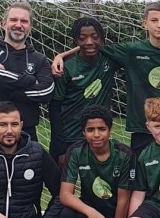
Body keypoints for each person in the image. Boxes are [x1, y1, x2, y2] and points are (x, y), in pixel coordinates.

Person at [50, 3, 160, 156]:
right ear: (144, 23)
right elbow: (91, 46)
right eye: (154, 20)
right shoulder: (131, 51)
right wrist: (60, 56)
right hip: (140, 127)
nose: (159, 25)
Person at [55, 106, 134, 218]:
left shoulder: (124, 154)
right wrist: (91, 212)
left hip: (116, 212)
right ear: (83, 132)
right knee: (67, 215)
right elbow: (65, 195)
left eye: (101, 129)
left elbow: (124, 201)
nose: (96, 134)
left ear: (110, 130)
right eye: (90, 130)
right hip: (91, 209)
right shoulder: (75, 151)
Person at [48, 17, 118, 164]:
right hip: (68, 137)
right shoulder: (65, 68)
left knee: (96, 184)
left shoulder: (109, 59)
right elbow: (54, 107)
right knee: (62, 184)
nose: (89, 42)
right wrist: (60, 147)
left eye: (95, 37)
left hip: (97, 136)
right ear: (76, 40)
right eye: (83, 38)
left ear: (102, 39)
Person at [0, 1, 54, 133]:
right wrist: (29, 80)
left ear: (30, 26)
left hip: (26, 133)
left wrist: (3, 82)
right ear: (4, 23)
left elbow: (46, 92)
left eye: (24, 21)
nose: (18, 25)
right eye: (13, 20)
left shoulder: (39, 59)